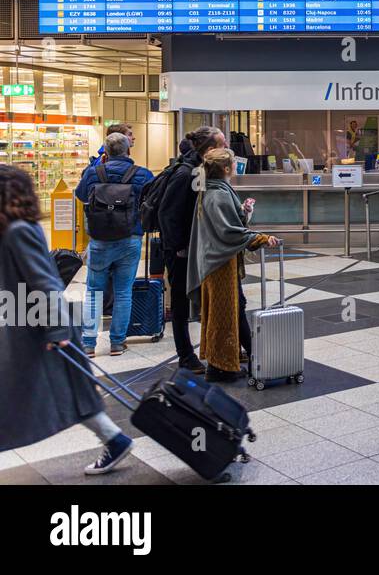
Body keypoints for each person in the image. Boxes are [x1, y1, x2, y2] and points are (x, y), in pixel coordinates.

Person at [0, 165, 137, 473]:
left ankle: (115, 440)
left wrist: (58, 330)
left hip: (40, 327)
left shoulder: (18, 231)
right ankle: (115, 439)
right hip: (32, 323)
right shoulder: (18, 227)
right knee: (73, 388)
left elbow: (44, 281)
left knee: (63, 388)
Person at [186, 148, 279, 383]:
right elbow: (229, 231)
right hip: (219, 264)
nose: (237, 166)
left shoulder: (214, 190)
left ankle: (232, 360)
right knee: (223, 314)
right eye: (234, 163)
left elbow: (228, 223)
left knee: (232, 308)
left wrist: (244, 212)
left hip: (215, 260)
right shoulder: (219, 194)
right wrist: (260, 238)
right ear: (226, 168)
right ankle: (220, 367)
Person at [75, 131, 154, 358]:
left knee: (93, 292)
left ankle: (89, 344)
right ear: (128, 150)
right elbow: (153, 200)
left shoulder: (93, 172)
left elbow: (81, 196)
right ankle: (117, 343)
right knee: (123, 292)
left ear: (106, 153)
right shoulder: (142, 174)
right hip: (130, 239)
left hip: (99, 240)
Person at [157, 126, 226, 373]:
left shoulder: (201, 169)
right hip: (180, 250)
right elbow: (168, 214)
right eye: (223, 144)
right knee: (180, 302)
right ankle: (185, 354)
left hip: (196, 246)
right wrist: (178, 248)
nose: (227, 149)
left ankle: (218, 347)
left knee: (204, 297)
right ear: (209, 149)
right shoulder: (185, 173)